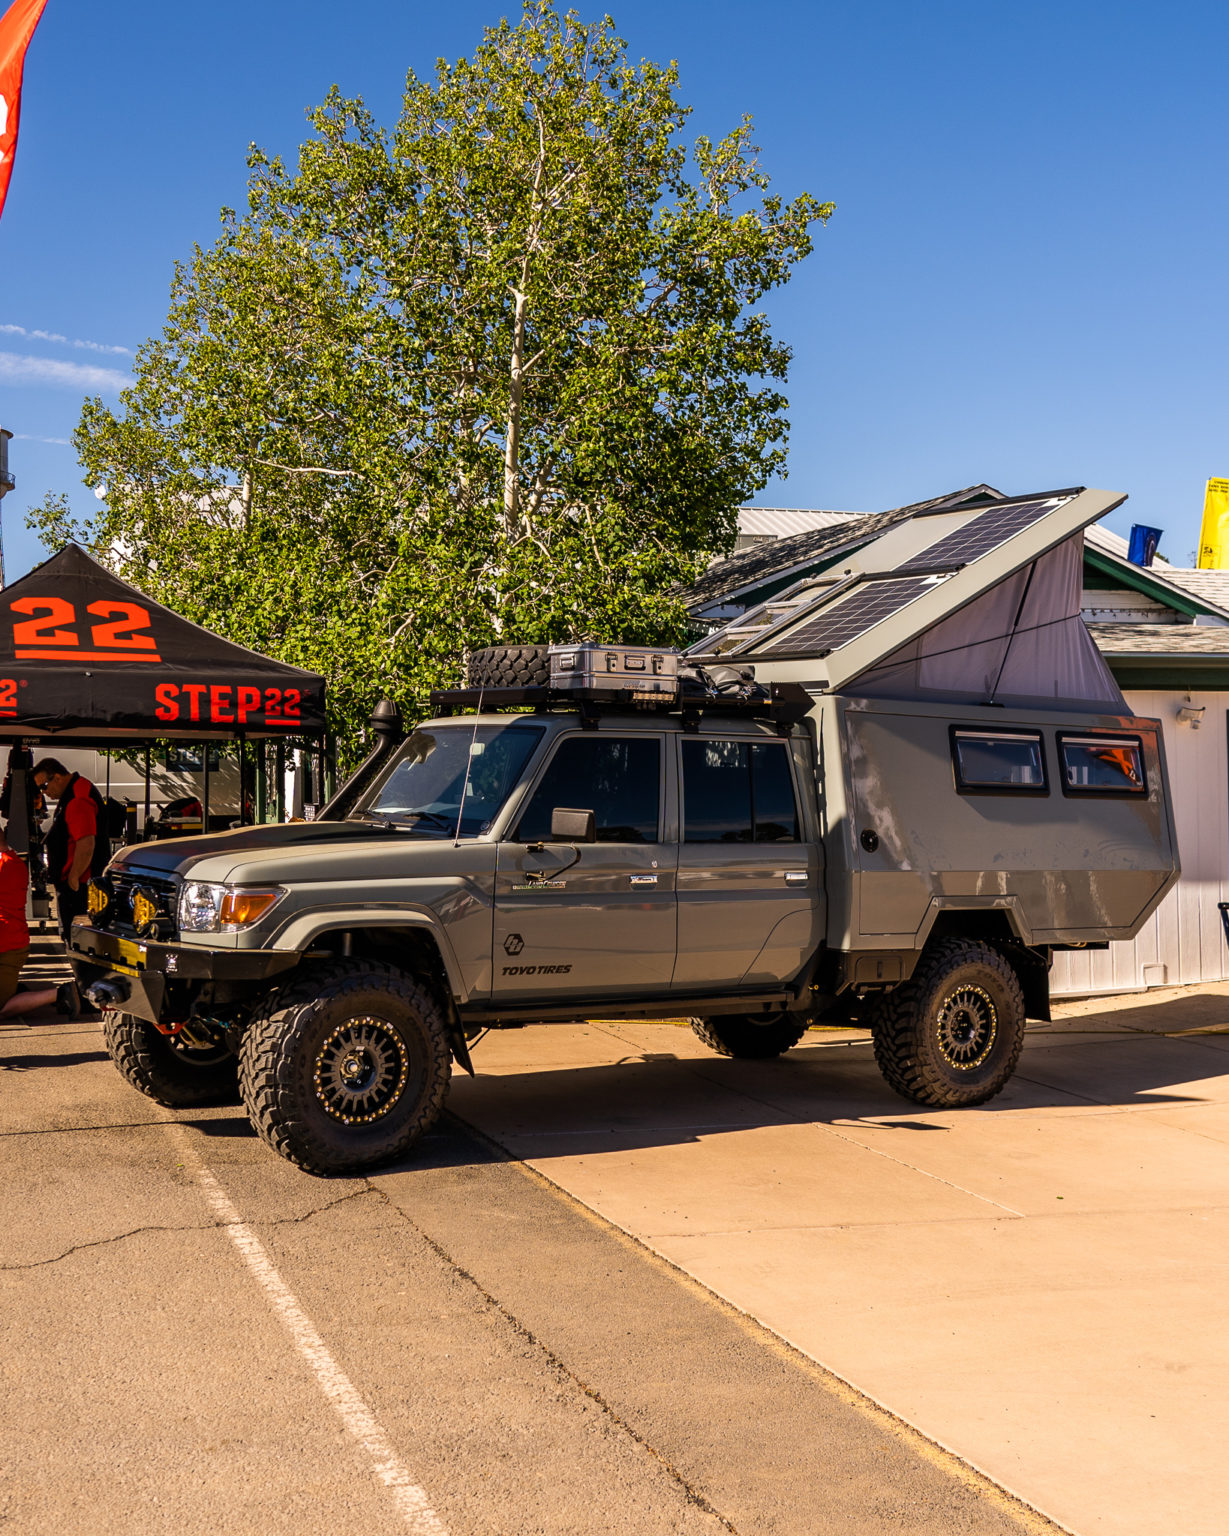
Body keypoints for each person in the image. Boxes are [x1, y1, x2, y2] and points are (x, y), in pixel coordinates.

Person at [0, 825, 77, 1019]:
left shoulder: (3, 865)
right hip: (13, 940)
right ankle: (16, 991)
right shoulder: (14, 861)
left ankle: (61, 993)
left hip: (6, 944)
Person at [31, 758, 109, 945]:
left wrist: (74, 877)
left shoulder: (77, 798)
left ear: (57, 777)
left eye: (44, 786)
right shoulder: (76, 790)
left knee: (76, 938)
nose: (43, 793)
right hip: (78, 882)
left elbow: (86, 843)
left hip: (80, 886)